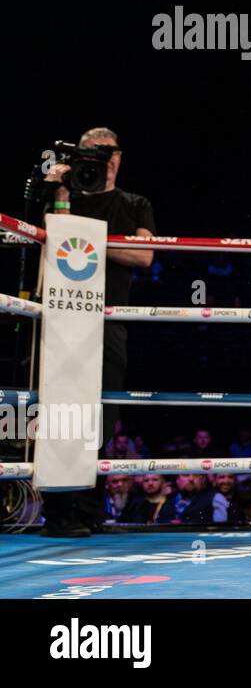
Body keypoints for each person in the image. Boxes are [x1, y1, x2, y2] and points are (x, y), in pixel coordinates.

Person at [39, 127, 156, 537]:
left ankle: (90, 513)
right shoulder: (64, 196)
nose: (103, 157)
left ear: (120, 156)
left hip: (108, 318)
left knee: (102, 414)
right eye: (94, 151)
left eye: (109, 151)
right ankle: (58, 514)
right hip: (63, 315)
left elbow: (142, 255)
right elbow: (52, 239)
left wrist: (85, 241)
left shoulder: (135, 203)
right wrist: (61, 189)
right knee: (62, 412)